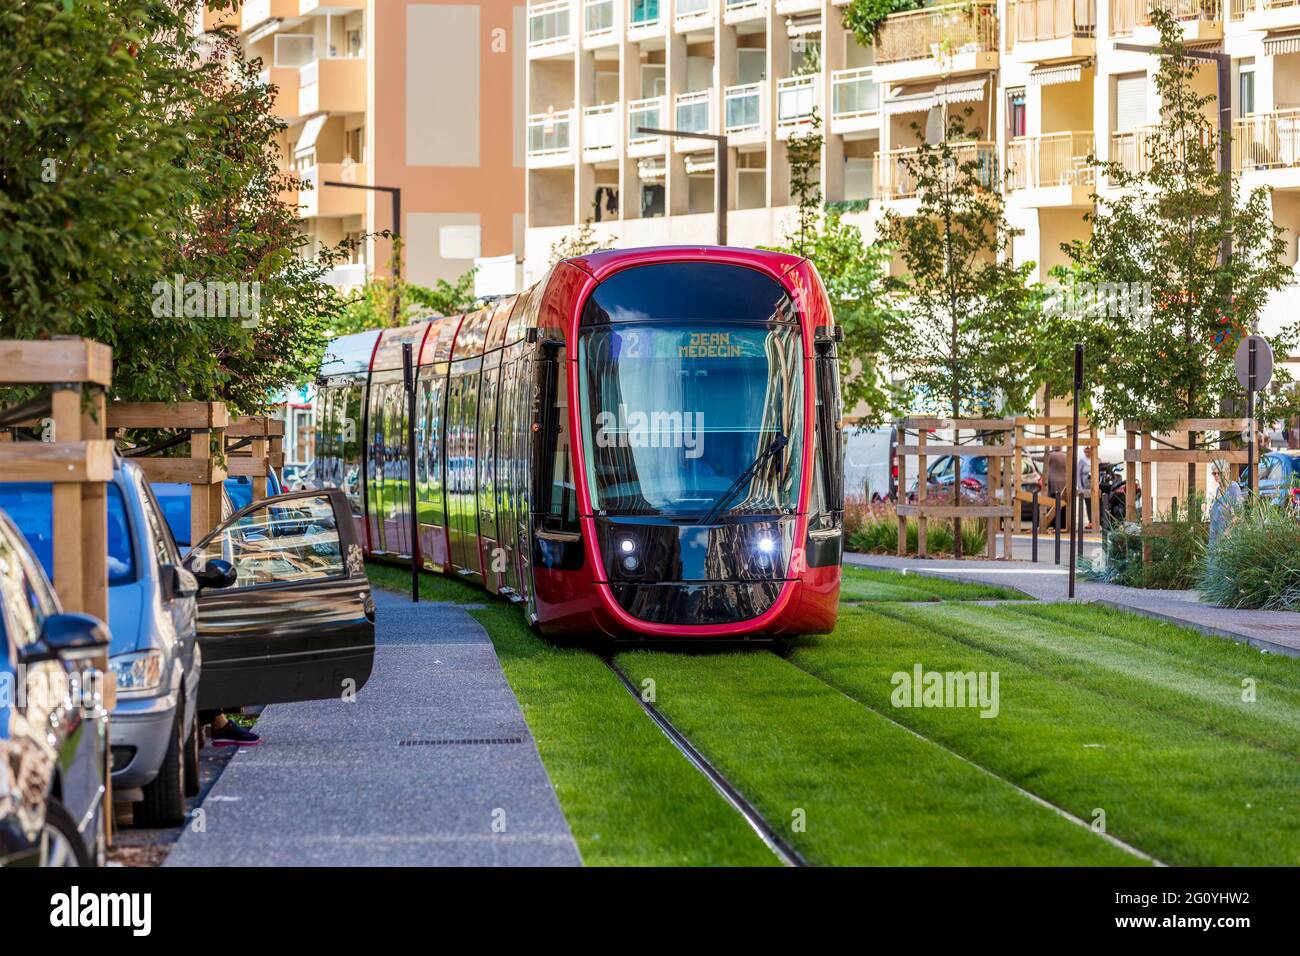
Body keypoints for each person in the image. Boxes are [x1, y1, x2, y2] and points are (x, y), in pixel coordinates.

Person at [1209, 459, 1243, 544]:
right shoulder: (1218, 490)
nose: (1216, 475)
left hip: (1227, 539)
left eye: (1219, 473)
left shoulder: (1233, 488)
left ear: (1227, 472)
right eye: (1214, 473)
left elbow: (1239, 514)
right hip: (1214, 537)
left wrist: (1228, 531)